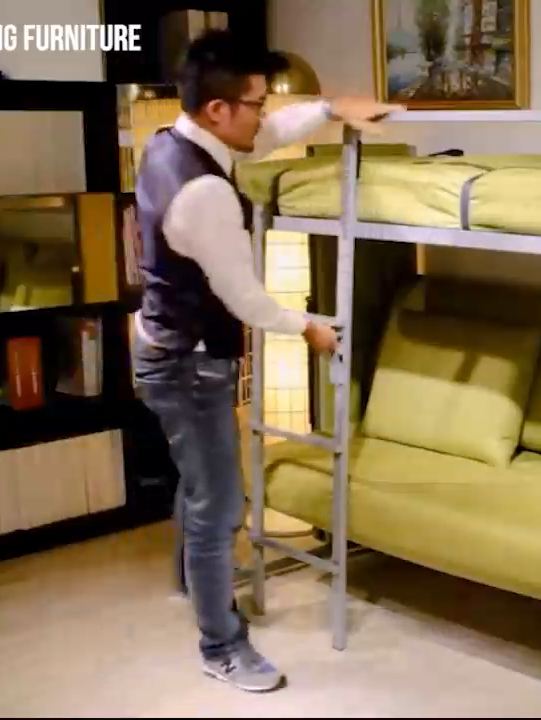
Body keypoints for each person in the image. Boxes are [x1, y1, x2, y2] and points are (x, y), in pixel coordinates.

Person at [131, 28, 402, 693]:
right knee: (221, 507)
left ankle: (193, 586)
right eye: (255, 103)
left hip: (165, 347)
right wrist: (309, 328)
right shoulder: (204, 194)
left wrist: (331, 110)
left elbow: (271, 133)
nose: (264, 114)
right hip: (189, 364)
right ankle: (221, 644)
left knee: (198, 484)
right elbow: (246, 299)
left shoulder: (170, 143)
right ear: (218, 109)